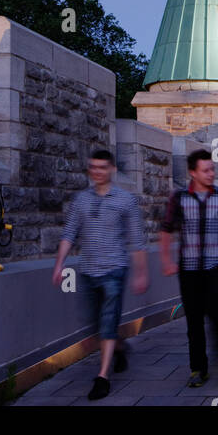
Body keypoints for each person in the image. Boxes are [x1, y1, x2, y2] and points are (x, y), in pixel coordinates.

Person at [53, 149, 148, 401]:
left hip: (114, 270)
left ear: (112, 169)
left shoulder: (126, 200)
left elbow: (137, 240)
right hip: (87, 271)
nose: (97, 172)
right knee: (95, 328)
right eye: (93, 167)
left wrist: (141, 273)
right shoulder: (81, 200)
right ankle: (119, 347)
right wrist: (59, 264)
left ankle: (102, 377)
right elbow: (69, 233)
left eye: (102, 167)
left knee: (107, 321)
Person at [159, 149, 218, 387]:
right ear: (193, 172)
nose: (211, 174)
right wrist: (166, 260)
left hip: (215, 267)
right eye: (206, 170)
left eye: (212, 169)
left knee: (215, 312)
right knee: (193, 321)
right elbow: (166, 229)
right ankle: (198, 369)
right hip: (189, 269)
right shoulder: (180, 198)